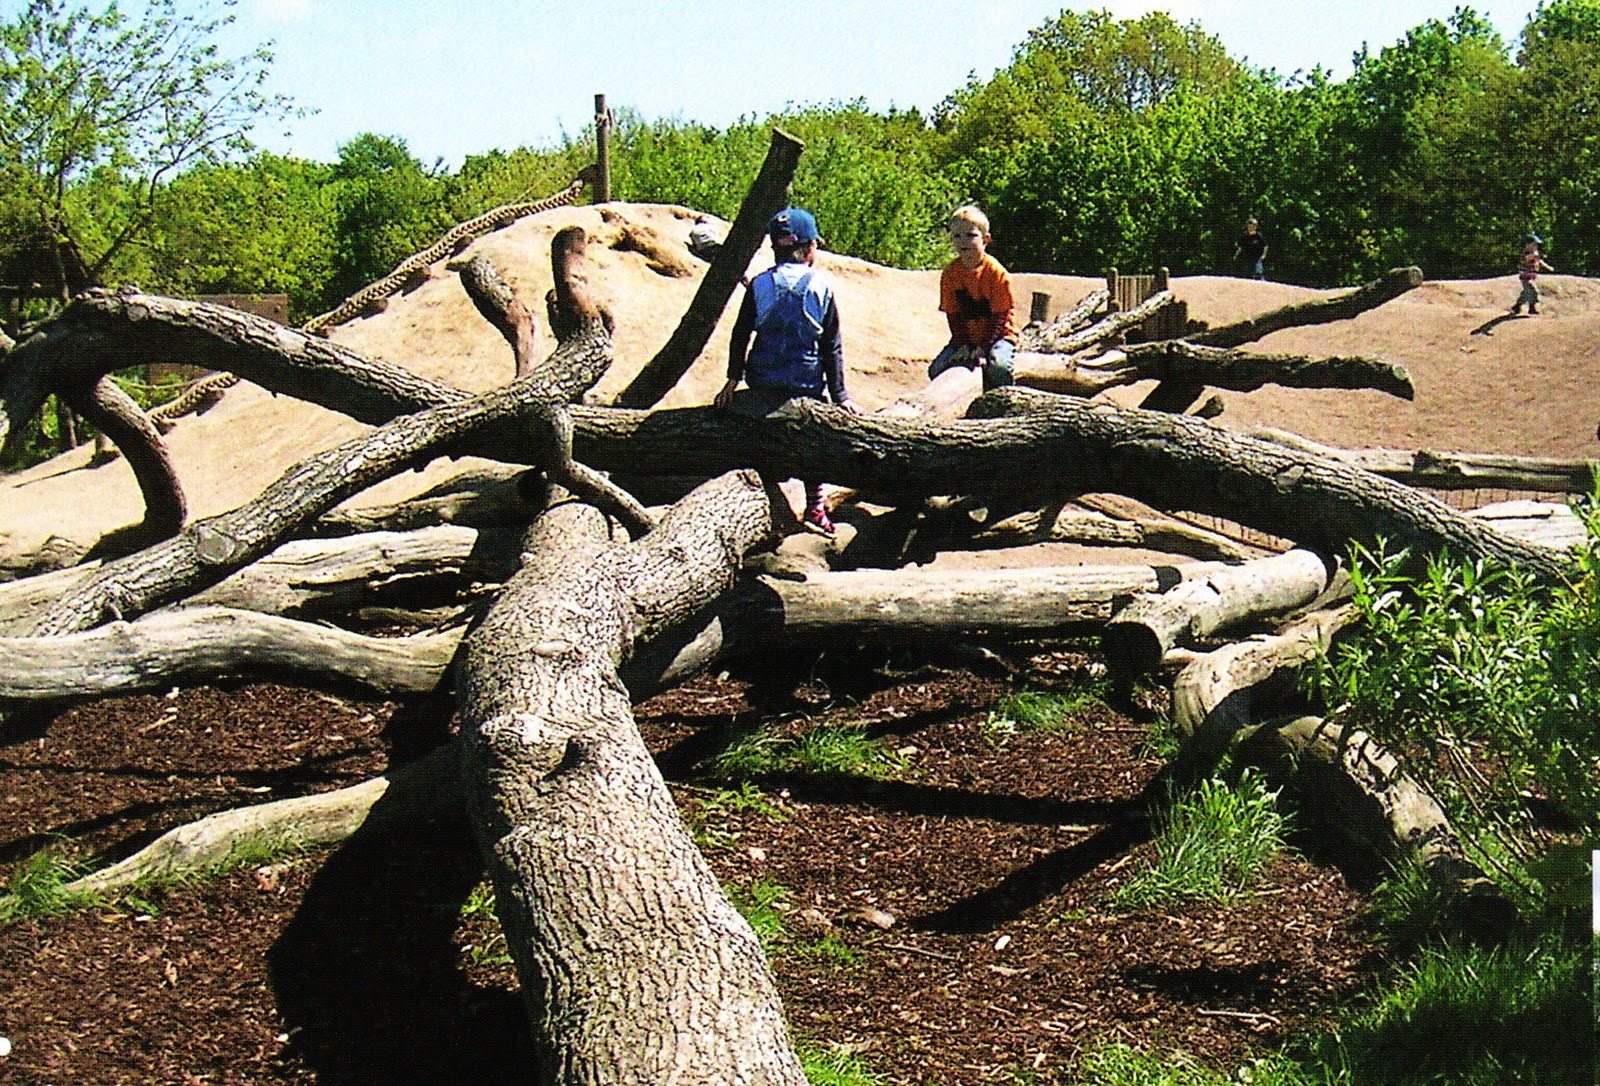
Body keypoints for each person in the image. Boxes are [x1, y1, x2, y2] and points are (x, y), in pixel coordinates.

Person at [715, 207, 858, 536]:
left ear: (774, 249)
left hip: (762, 381)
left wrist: (732, 380)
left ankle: (767, 500)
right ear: (810, 248)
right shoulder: (821, 285)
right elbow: (831, 346)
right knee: (814, 445)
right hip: (805, 385)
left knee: (759, 439)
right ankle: (815, 506)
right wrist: (841, 396)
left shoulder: (759, 284)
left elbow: (741, 333)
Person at [926, 205, 1017, 392]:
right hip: (966, 336)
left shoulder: (996, 273)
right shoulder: (951, 274)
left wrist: (983, 347)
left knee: (999, 367)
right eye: (957, 236)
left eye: (970, 235)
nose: (963, 241)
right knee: (936, 369)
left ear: (985, 239)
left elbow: (1000, 316)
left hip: (998, 336)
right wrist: (963, 344)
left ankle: (1004, 399)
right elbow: (953, 315)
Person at [1511, 233, 1555, 315]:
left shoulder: (1535, 254)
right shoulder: (1526, 253)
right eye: (1534, 244)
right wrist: (1534, 255)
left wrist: (1548, 267)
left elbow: (1539, 261)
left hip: (1531, 276)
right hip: (1525, 277)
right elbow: (1527, 259)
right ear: (1528, 244)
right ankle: (1532, 308)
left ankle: (1517, 307)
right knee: (1534, 291)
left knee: (1526, 293)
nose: (1536, 246)